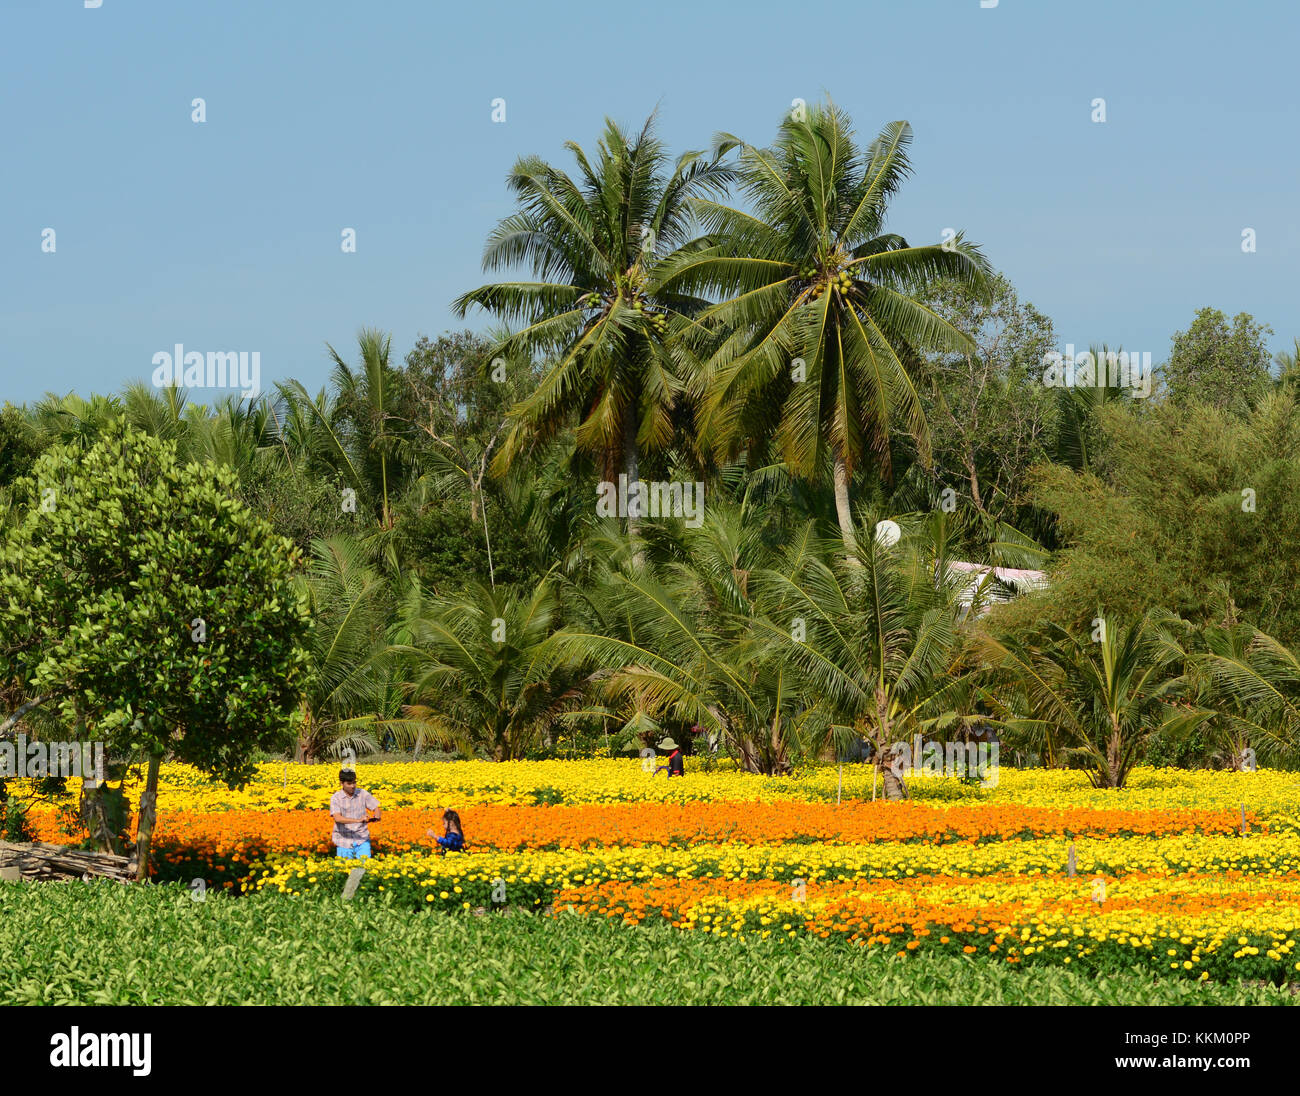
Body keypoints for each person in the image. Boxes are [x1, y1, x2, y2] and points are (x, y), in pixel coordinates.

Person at [329, 769, 380, 858]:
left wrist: (377, 815)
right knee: (345, 869)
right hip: (344, 841)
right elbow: (338, 818)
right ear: (341, 783)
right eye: (349, 784)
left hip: (362, 838)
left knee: (365, 866)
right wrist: (358, 820)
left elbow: (376, 807)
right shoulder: (336, 798)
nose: (353, 786)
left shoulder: (362, 793)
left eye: (354, 783)